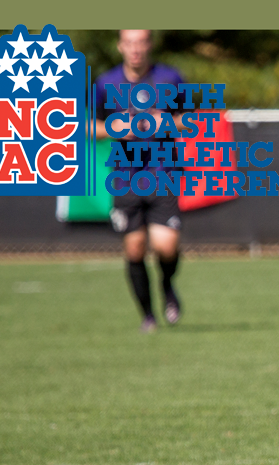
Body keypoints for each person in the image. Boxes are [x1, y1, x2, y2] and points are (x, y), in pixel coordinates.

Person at [95, 30, 189, 333]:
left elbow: (190, 118)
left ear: (150, 45)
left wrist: (165, 122)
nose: (135, 49)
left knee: (166, 245)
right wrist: (116, 127)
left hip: (163, 173)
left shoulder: (170, 79)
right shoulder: (105, 83)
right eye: (129, 43)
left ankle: (167, 284)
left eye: (141, 42)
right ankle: (148, 316)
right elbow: (89, 126)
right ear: (120, 46)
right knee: (135, 248)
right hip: (125, 178)